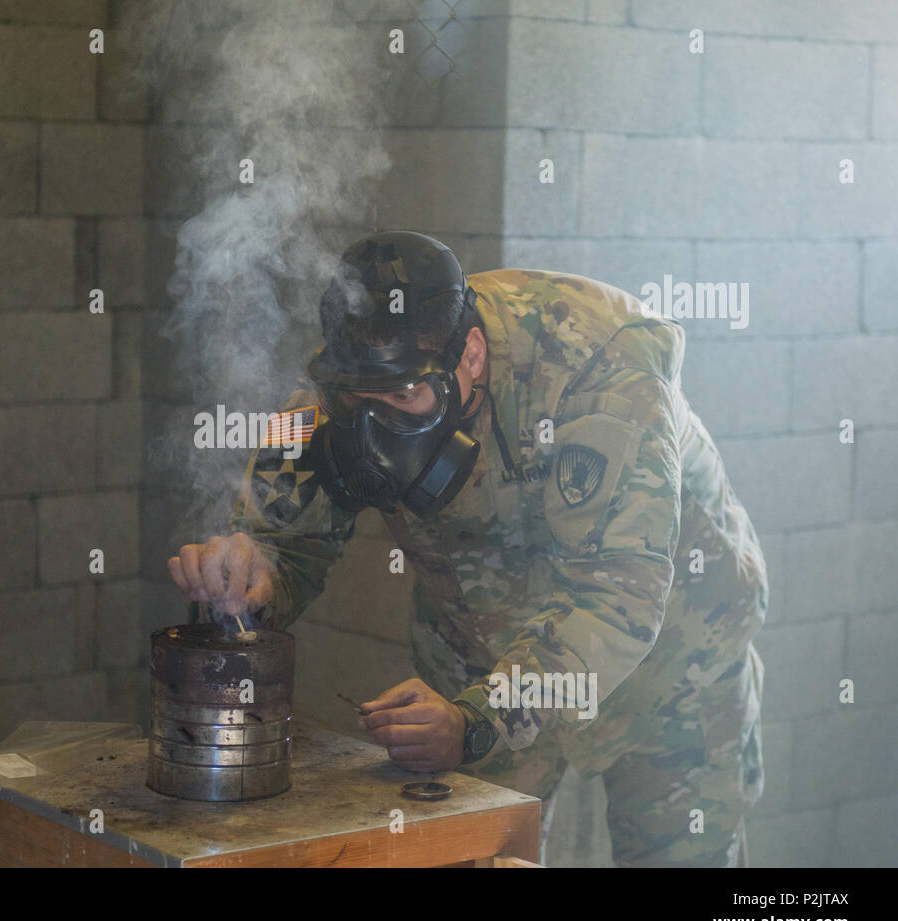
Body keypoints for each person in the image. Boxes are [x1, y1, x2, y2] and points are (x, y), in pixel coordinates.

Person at [169, 230, 767, 866]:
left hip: (669, 661)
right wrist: (243, 578)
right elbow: (278, 537)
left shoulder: (598, 369)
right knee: (463, 855)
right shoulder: (344, 379)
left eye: (404, 399)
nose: (375, 428)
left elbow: (616, 599)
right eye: (358, 401)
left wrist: (478, 722)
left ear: (472, 355)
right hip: (480, 659)